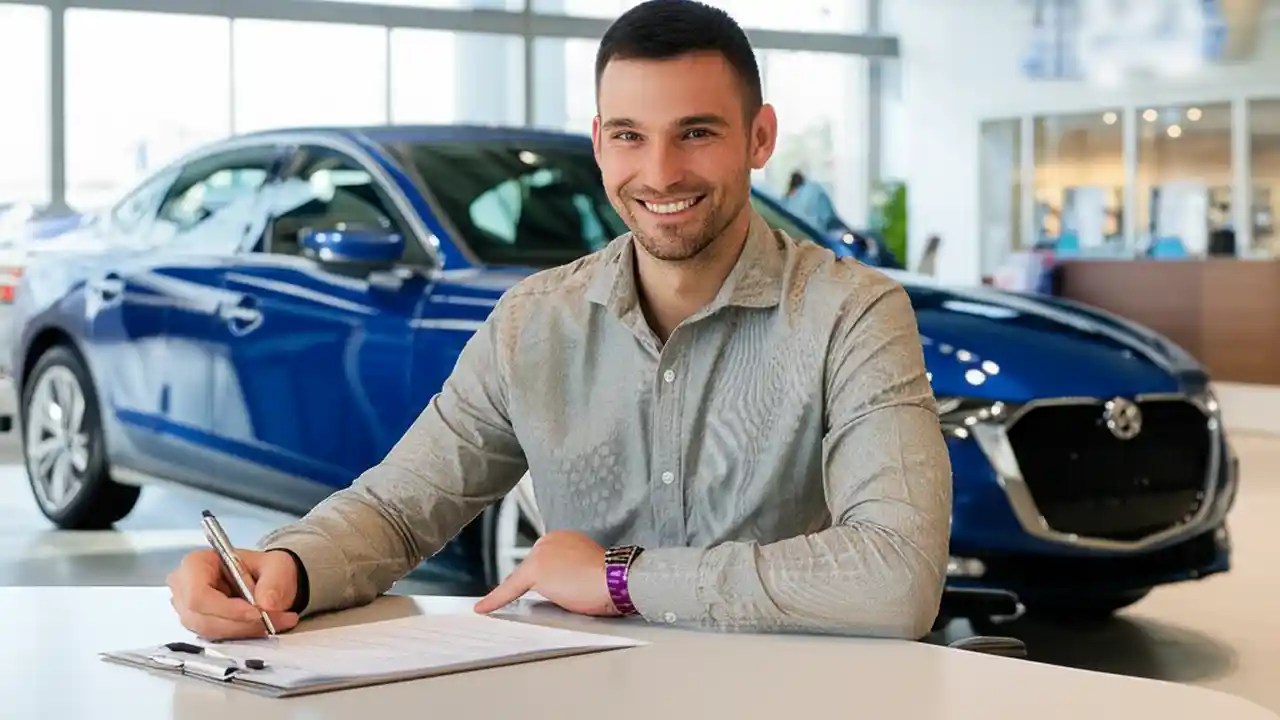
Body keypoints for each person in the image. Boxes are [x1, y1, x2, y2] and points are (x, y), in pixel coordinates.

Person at [166, 0, 952, 642]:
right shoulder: (533, 324)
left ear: (760, 137)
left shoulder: (853, 313)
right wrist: (285, 566)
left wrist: (619, 576)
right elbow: (399, 507)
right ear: (599, 146)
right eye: (629, 137)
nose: (661, 173)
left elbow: (895, 577)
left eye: (697, 133)